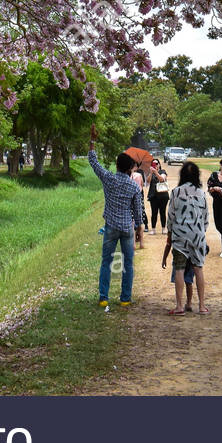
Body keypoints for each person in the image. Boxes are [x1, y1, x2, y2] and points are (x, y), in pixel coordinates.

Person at [87, 125, 145, 308]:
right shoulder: (134, 187)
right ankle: (125, 299)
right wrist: (138, 229)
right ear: (130, 169)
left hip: (111, 226)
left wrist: (92, 141)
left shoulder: (109, 179)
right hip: (127, 228)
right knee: (128, 263)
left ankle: (104, 297)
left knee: (107, 262)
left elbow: (93, 162)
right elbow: (138, 211)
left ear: (117, 166)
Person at [164, 160, 210, 314]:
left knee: (179, 269)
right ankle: (202, 306)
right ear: (197, 176)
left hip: (180, 237)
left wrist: (170, 234)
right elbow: (205, 219)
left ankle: (179, 306)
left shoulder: (176, 192)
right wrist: (199, 232)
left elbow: (170, 217)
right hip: (197, 236)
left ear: (182, 175)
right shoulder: (201, 193)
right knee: (198, 270)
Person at [147, 158, 170, 233]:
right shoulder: (150, 172)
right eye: (153, 164)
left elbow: (162, 179)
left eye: (156, 163)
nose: (155, 165)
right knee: (154, 212)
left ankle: (164, 228)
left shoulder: (162, 172)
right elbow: (148, 181)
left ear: (159, 164)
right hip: (153, 195)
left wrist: (156, 172)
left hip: (163, 195)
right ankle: (153, 229)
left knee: (162, 212)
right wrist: (151, 173)